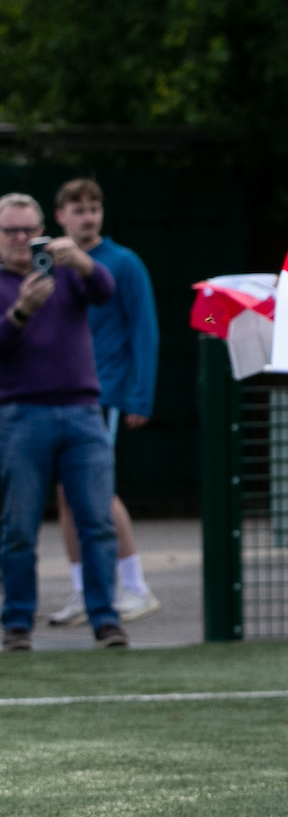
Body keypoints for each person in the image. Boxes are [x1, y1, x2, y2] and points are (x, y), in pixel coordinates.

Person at [0, 192, 122, 650]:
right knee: (17, 529)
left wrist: (84, 263)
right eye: (10, 231)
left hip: (81, 412)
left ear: (43, 230)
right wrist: (20, 313)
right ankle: (16, 625)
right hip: (19, 415)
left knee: (97, 522)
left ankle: (106, 619)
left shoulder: (65, 270)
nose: (20, 239)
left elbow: (107, 291)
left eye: (28, 230)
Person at [45, 179, 159, 625]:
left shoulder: (124, 263)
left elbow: (144, 330)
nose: (87, 216)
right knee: (67, 496)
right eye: (78, 209)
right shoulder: (50, 263)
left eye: (94, 208)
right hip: (62, 393)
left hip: (105, 392)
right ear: (60, 217)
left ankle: (135, 587)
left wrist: (140, 396)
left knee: (95, 493)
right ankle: (83, 592)